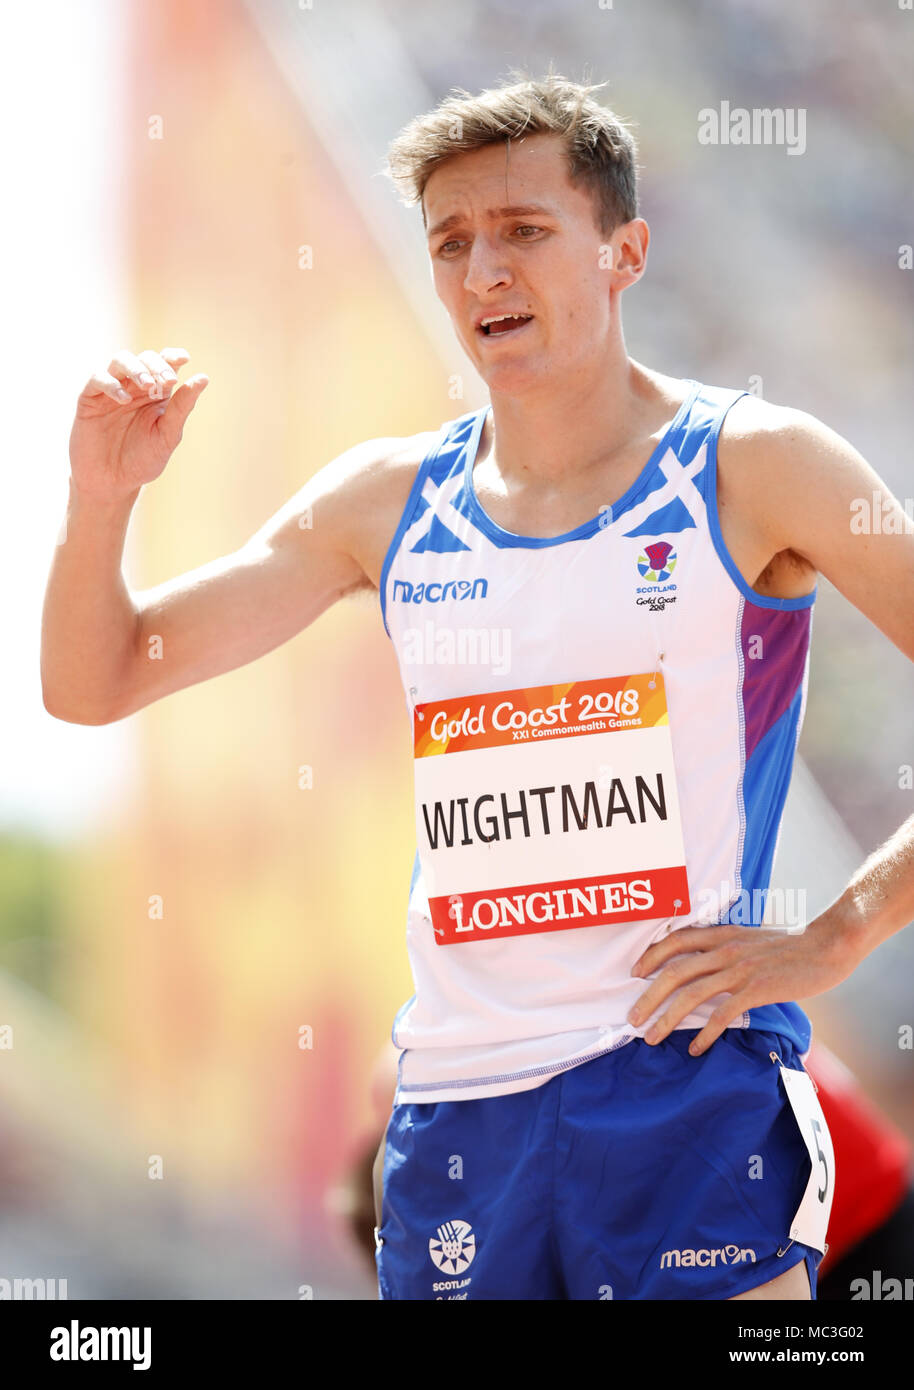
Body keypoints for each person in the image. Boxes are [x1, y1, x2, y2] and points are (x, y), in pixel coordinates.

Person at [42, 73, 914, 1301]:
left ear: (624, 251)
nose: (482, 272)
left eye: (522, 231)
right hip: (459, 1116)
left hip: (685, 1088)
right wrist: (100, 499)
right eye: (451, 243)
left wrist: (833, 936)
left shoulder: (752, 464)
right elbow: (98, 681)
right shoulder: (384, 502)